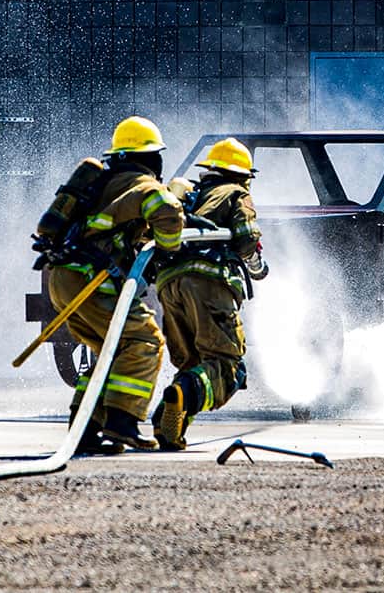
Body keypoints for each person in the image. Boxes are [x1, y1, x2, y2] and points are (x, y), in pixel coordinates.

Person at [32, 116, 184, 455]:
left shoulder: (104, 182)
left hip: (62, 277)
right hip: (91, 279)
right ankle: (123, 423)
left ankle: (84, 429)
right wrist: (169, 248)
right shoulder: (140, 183)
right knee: (145, 340)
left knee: (111, 350)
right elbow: (168, 211)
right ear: (151, 157)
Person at [149, 137, 269, 451]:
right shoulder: (236, 193)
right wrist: (259, 268)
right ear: (242, 175)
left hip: (169, 285)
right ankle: (182, 397)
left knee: (193, 364)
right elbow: (245, 238)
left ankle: (167, 429)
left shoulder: (190, 195)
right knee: (227, 365)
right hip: (208, 282)